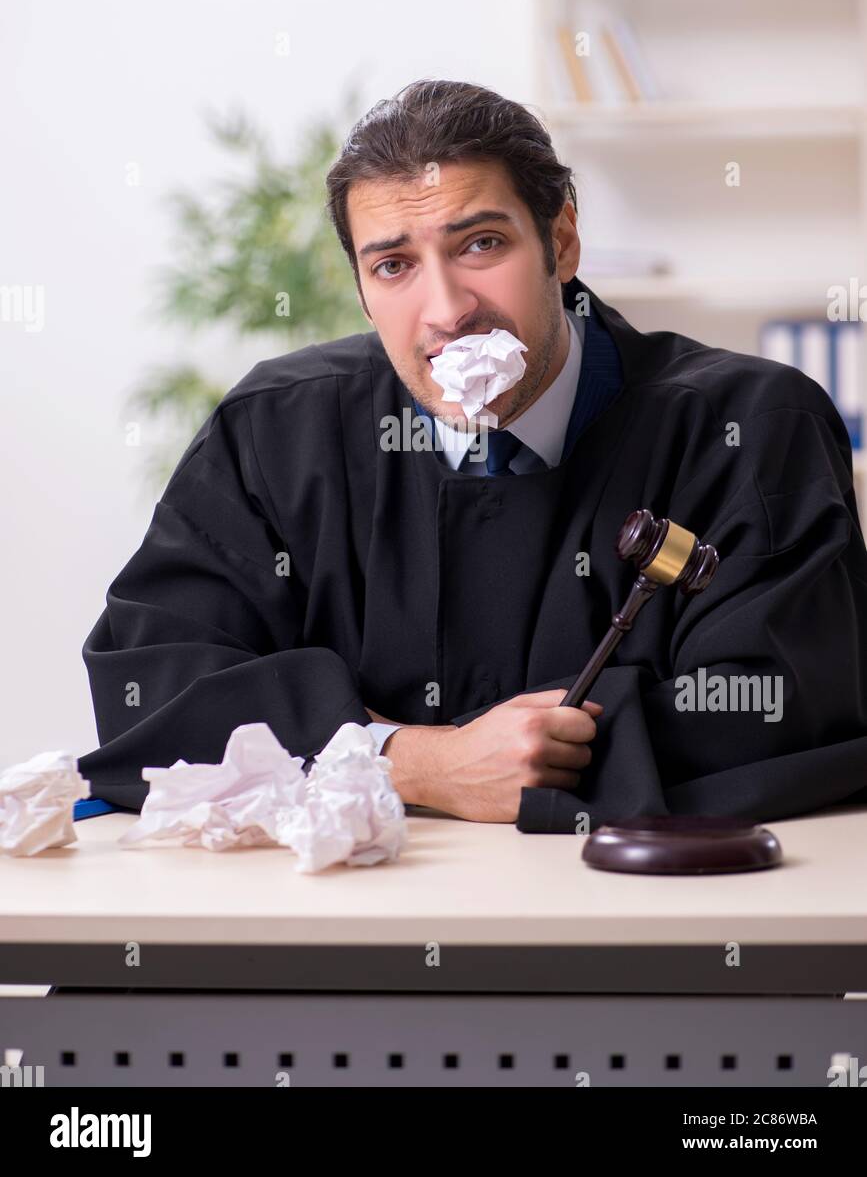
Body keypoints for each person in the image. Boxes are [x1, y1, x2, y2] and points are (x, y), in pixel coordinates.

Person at [78, 80, 867, 832]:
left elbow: (780, 710)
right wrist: (415, 762)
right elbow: (152, 691)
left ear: (560, 241)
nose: (448, 311)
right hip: (339, 923)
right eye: (393, 266)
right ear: (360, 287)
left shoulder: (748, 427)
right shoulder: (276, 430)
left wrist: (522, 767)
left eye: (481, 244)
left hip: (642, 922)